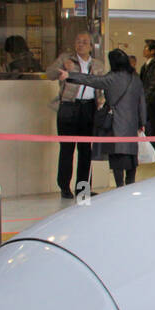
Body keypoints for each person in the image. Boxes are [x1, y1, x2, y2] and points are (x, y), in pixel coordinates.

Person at [59, 48, 146, 188]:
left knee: (117, 156)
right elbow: (142, 102)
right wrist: (142, 122)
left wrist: (69, 75)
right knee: (131, 157)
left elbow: (91, 80)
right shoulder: (136, 79)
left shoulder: (112, 78)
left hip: (116, 124)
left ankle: (120, 187)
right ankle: (131, 185)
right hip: (132, 125)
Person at [46, 32, 105, 199]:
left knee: (86, 150)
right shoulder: (66, 59)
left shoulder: (98, 64)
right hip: (68, 107)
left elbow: (102, 85)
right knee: (67, 149)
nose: (81, 45)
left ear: (91, 46)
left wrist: (101, 101)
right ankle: (64, 187)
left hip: (89, 108)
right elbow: (49, 73)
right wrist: (62, 69)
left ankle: (83, 188)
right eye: (78, 41)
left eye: (85, 42)